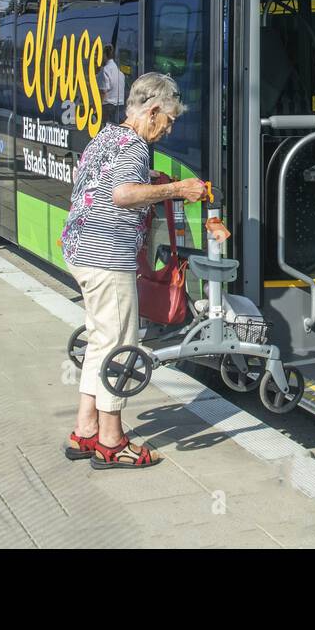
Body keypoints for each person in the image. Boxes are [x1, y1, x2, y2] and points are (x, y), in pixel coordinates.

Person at [60, 71, 207, 470]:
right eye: (170, 119)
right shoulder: (136, 147)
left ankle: (84, 429)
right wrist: (177, 189)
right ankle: (111, 440)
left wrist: (151, 181)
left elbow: (97, 183)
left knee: (99, 340)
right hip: (107, 258)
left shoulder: (107, 137)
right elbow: (122, 194)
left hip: (80, 249)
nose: (170, 128)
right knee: (119, 347)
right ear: (153, 110)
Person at [98, 45, 125, 125]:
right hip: (120, 107)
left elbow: (103, 92)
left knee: (105, 131)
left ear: (104, 55)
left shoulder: (105, 70)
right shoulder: (120, 73)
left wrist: (97, 107)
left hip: (108, 107)